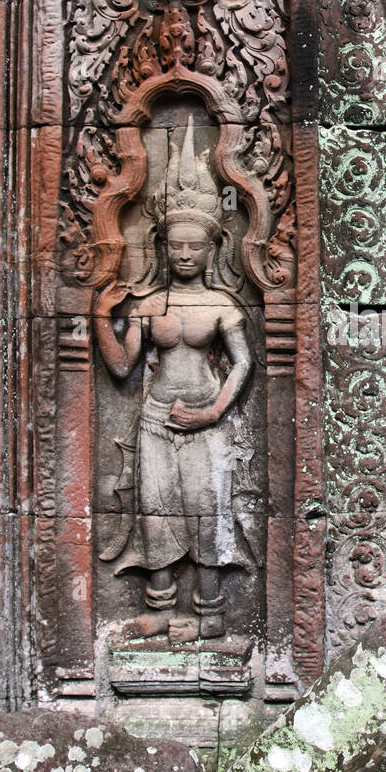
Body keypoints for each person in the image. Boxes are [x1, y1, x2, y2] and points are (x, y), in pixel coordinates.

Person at [93, 116, 257, 640]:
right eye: (176, 246)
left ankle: (210, 614)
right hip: (157, 419)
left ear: (213, 249)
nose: (185, 255)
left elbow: (243, 363)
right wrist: (101, 318)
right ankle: (162, 605)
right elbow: (123, 367)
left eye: (195, 247)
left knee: (207, 509)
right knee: (156, 509)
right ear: (162, 246)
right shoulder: (147, 304)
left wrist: (212, 412)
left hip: (206, 420)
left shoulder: (221, 304)